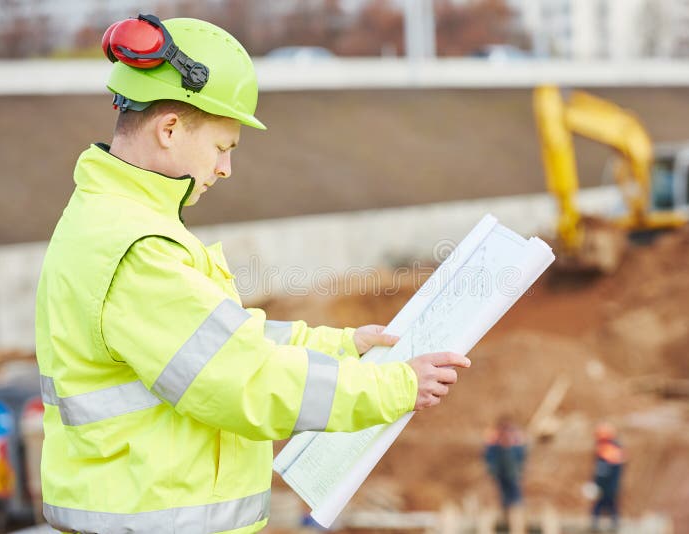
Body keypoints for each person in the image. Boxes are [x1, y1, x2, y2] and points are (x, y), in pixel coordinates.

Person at [35, 14, 470, 534]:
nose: (226, 169)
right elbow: (242, 378)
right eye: (222, 147)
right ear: (170, 128)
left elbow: (222, 342)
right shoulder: (137, 249)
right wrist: (394, 387)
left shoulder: (113, 221)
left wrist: (343, 345)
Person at [484, 415, 527, 533]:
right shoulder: (495, 442)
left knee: (514, 500)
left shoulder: (515, 442)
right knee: (504, 498)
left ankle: (515, 523)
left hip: (511, 474)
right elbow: (490, 457)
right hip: (502, 474)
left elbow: (520, 457)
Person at [590, 422, 625, 532]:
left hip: (606, 485)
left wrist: (596, 484)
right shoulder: (616, 448)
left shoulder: (605, 450)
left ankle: (595, 525)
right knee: (611, 504)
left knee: (601, 504)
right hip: (613, 484)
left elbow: (602, 471)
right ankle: (614, 523)